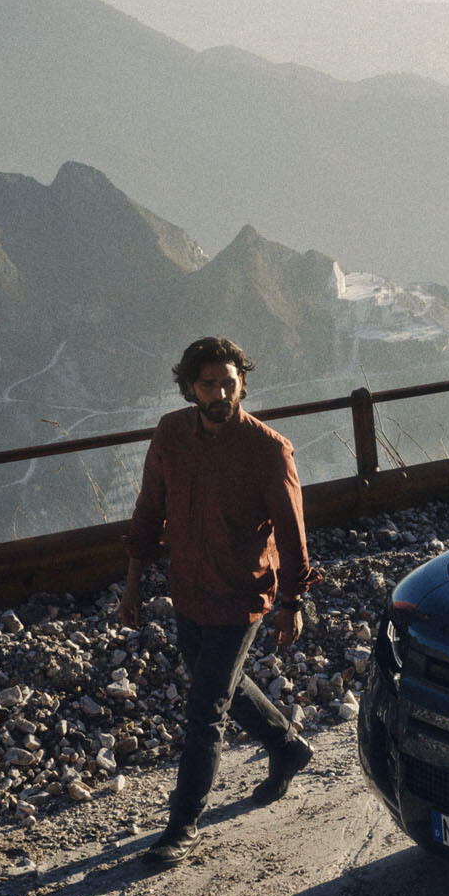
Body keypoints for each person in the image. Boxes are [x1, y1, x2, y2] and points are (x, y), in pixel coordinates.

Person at [118, 336, 317, 864]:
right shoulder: (170, 434)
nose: (220, 393)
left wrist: (292, 602)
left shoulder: (268, 449)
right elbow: (149, 510)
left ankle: (182, 824)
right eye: (209, 384)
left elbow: (292, 533)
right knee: (222, 684)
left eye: (229, 383)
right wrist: (133, 584)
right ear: (190, 388)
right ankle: (287, 747)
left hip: (241, 595)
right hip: (188, 589)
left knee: (205, 710)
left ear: (242, 384)